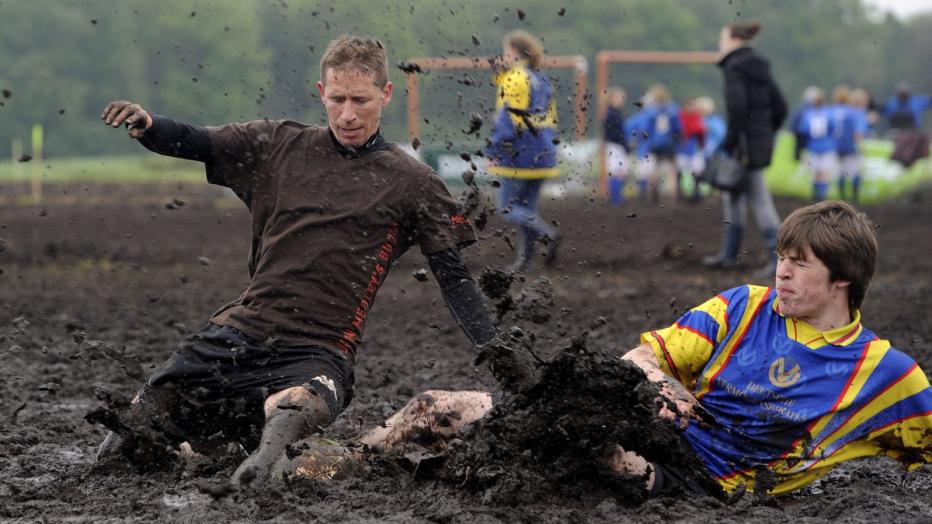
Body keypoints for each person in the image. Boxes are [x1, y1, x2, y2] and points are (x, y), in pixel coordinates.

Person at [284, 201, 932, 497]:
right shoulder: (743, 307)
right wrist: (657, 384)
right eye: (780, 259)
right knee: (435, 406)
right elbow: (635, 362)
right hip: (657, 432)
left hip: (702, 483)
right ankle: (330, 465)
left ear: (842, 280)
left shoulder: (885, 375)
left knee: (593, 456)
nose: (782, 273)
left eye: (799, 264)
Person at [95, 34, 496, 484]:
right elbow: (195, 141)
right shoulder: (277, 144)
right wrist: (150, 126)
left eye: (360, 100)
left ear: (385, 95)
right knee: (122, 442)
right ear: (321, 93)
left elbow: (454, 278)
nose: (348, 114)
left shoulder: (413, 182)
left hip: (317, 348)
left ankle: (292, 456)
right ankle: (224, 442)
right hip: (237, 333)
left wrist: (498, 353)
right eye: (338, 98)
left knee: (284, 432)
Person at [703, 21, 787, 277]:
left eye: (723, 38)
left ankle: (780, 258)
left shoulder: (734, 66)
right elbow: (781, 106)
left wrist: (731, 141)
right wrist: (765, 132)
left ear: (736, 40)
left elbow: (737, 108)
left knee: (760, 201)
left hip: (744, 144)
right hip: (757, 140)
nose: (720, 43)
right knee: (733, 194)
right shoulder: (761, 67)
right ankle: (728, 255)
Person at [485, 30, 560, 273]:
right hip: (544, 153)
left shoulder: (515, 77)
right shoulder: (541, 78)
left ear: (515, 53)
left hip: (520, 153)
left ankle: (548, 233)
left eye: (506, 52)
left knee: (507, 208)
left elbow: (506, 119)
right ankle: (525, 262)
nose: (502, 56)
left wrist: (493, 150)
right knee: (527, 211)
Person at [632, 85, 682, 203]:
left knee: (653, 171)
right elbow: (678, 128)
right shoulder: (674, 109)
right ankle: (676, 196)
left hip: (654, 144)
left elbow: (646, 128)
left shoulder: (651, 111)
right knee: (672, 170)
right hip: (669, 144)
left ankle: (653, 194)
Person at [796, 87, 839, 202]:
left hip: (813, 147)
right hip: (827, 146)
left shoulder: (808, 114)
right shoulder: (829, 113)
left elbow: (803, 130)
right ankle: (822, 197)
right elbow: (834, 128)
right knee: (825, 173)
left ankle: (815, 197)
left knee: (814, 173)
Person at [602, 87, 632, 206]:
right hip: (615, 147)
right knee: (617, 172)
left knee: (621, 173)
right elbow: (616, 134)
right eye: (618, 97)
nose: (621, 100)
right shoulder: (612, 114)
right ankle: (615, 200)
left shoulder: (613, 113)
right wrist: (625, 145)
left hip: (616, 146)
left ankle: (616, 198)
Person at [675, 97, 707, 202]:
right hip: (682, 148)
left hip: (693, 148)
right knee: (680, 170)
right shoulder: (679, 117)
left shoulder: (696, 117)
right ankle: (680, 193)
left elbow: (701, 133)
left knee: (696, 171)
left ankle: (696, 192)